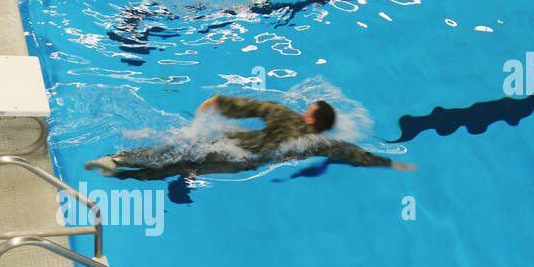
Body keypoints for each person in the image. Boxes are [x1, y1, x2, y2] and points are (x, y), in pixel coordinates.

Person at [86, 93, 418, 179]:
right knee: (179, 168)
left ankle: (116, 160)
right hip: (240, 166)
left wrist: (219, 101)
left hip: (231, 148)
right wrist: (389, 163)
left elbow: (254, 106)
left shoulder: (287, 116)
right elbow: (351, 152)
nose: (304, 109)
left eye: (309, 108)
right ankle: (125, 176)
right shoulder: (320, 144)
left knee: (174, 150)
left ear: (312, 117)